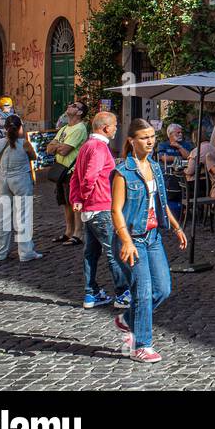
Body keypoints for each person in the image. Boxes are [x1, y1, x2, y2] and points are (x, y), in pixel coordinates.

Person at [111, 118, 187, 363]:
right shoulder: (123, 172)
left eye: (152, 136)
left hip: (153, 237)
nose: (150, 141)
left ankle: (129, 319)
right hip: (131, 240)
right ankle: (141, 345)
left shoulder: (154, 167)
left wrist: (176, 228)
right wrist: (126, 241)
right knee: (142, 292)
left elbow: (161, 202)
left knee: (163, 289)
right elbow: (116, 210)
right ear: (132, 141)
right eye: (144, 137)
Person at [69, 111, 131, 309]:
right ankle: (122, 293)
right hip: (101, 206)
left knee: (91, 253)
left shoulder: (87, 146)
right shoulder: (98, 147)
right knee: (113, 252)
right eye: (114, 126)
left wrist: (78, 198)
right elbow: (89, 178)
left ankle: (91, 293)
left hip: (90, 208)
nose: (116, 129)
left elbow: (75, 177)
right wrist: (86, 196)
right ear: (105, 128)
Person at [0, 114, 42, 262]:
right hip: (21, 179)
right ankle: (26, 251)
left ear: (6, 128)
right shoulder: (25, 143)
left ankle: (1, 252)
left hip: (3, 180)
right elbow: (34, 157)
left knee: (3, 217)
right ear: (20, 127)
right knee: (23, 216)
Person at [49, 101, 90, 245]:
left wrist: (57, 146)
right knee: (65, 202)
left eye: (73, 105)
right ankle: (68, 231)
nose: (69, 106)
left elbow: (65, 150)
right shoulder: (64, 128)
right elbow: (49, 147)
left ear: (79, 112)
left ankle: (78, 233)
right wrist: (58, 146)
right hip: (61, 170)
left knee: (74, 202)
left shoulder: (80, 128)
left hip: (73, 171)